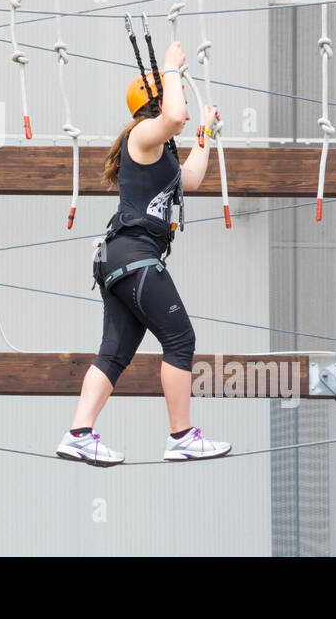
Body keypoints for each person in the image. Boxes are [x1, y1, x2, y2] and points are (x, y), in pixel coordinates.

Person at [56, 41, 231, 466]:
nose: (184, 101)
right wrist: (171, 67)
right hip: (135, 256)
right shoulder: (143, 135)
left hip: (119, 261)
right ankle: (182, 435)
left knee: (114, 354)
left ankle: (78, 433)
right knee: (181, 339)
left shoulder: (160, 151)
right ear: (155, 102)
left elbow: (190, 180)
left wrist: (204, 132)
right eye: (178, 93)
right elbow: (172, 116)